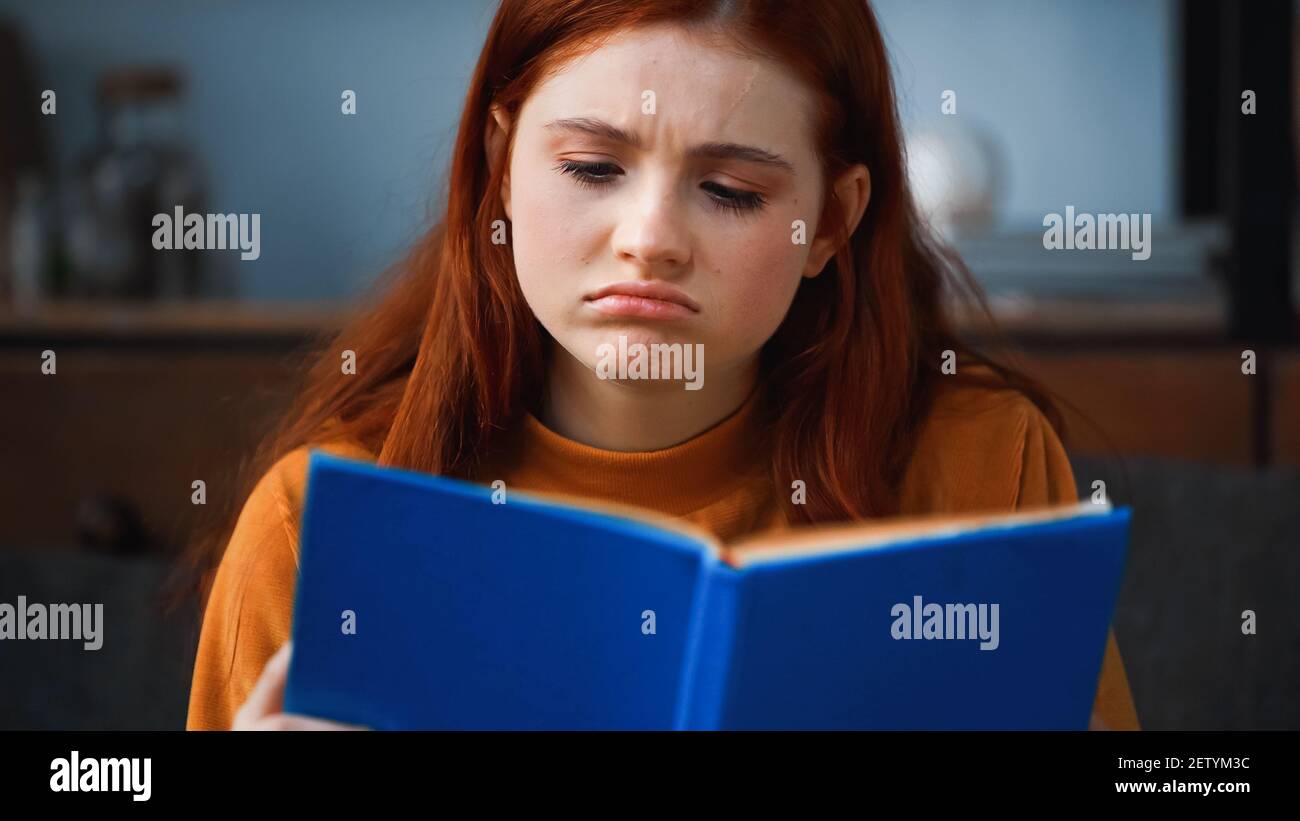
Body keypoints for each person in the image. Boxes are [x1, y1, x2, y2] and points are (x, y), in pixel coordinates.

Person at [183, 0, 1140, 731]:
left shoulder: (985, 471)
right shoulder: (315, 528)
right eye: (593, 170)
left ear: (833, 223)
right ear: (502, 165)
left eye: (728, 191)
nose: (650, 240)